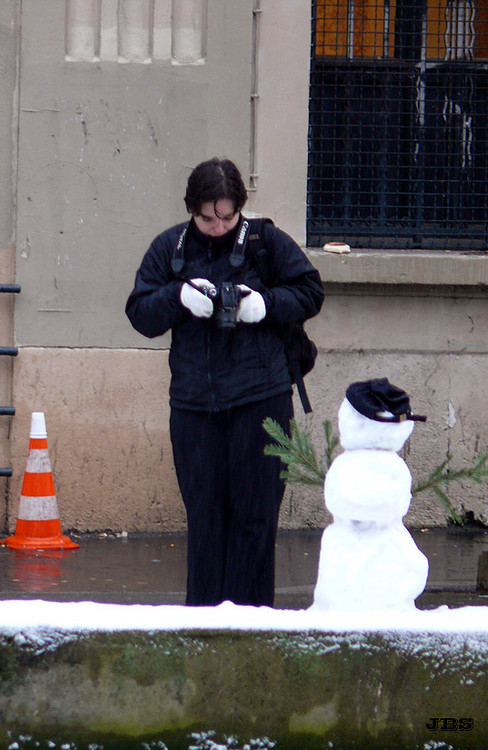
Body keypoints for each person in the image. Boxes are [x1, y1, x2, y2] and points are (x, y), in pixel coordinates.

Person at [125, 157, 324, 607]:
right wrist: (176, 296)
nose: (217, 227)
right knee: (205, 519)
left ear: (240, 209)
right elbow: (139, 313)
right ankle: (202, 626)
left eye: (227, 217)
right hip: (195, 405)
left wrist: (266, 305)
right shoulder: (168, 248)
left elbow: (311, 290)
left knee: (255, 519)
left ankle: (252, 627)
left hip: (261, 397)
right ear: (192, 209)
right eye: (207, 218)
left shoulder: (264, 242)